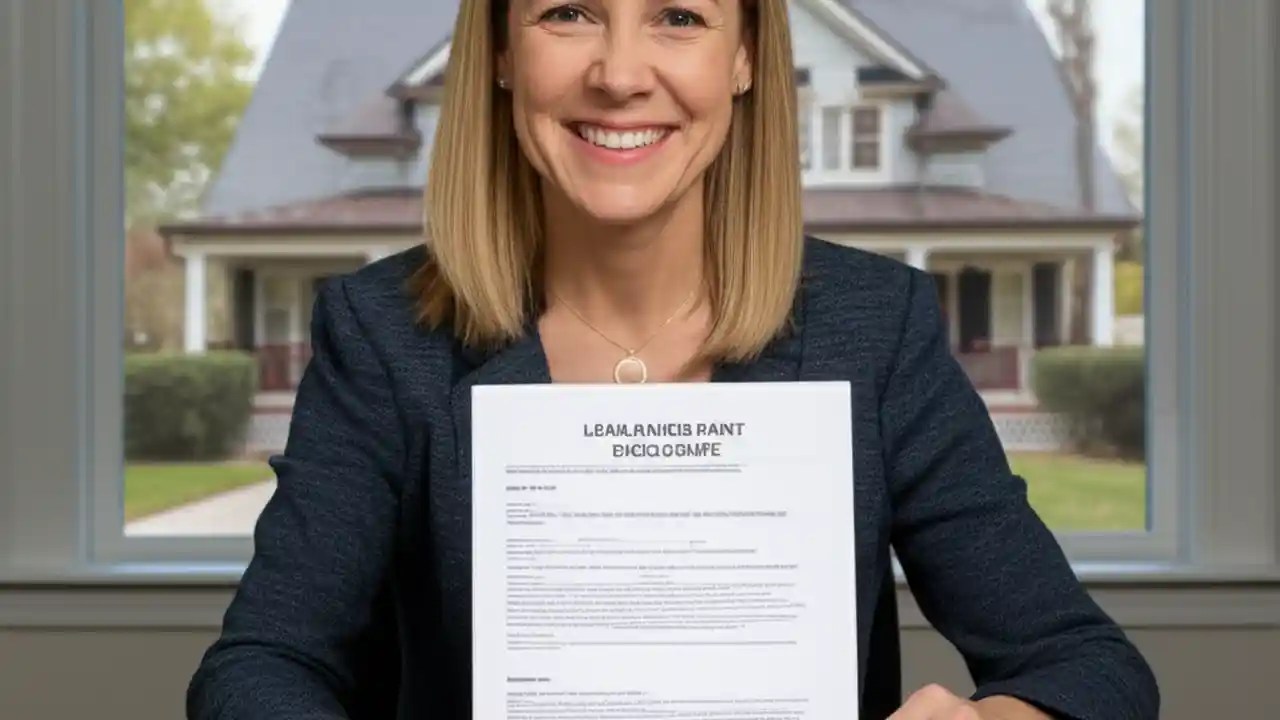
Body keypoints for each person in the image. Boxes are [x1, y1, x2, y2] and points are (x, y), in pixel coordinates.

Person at [187, 1, 1159, 718]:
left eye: (677, 17)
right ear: (496, 53)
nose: (618, 73)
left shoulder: (874, 327)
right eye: (567, 14)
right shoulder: (385, 333)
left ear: (742, 56)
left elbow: (1089, 670)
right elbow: (259, 669)